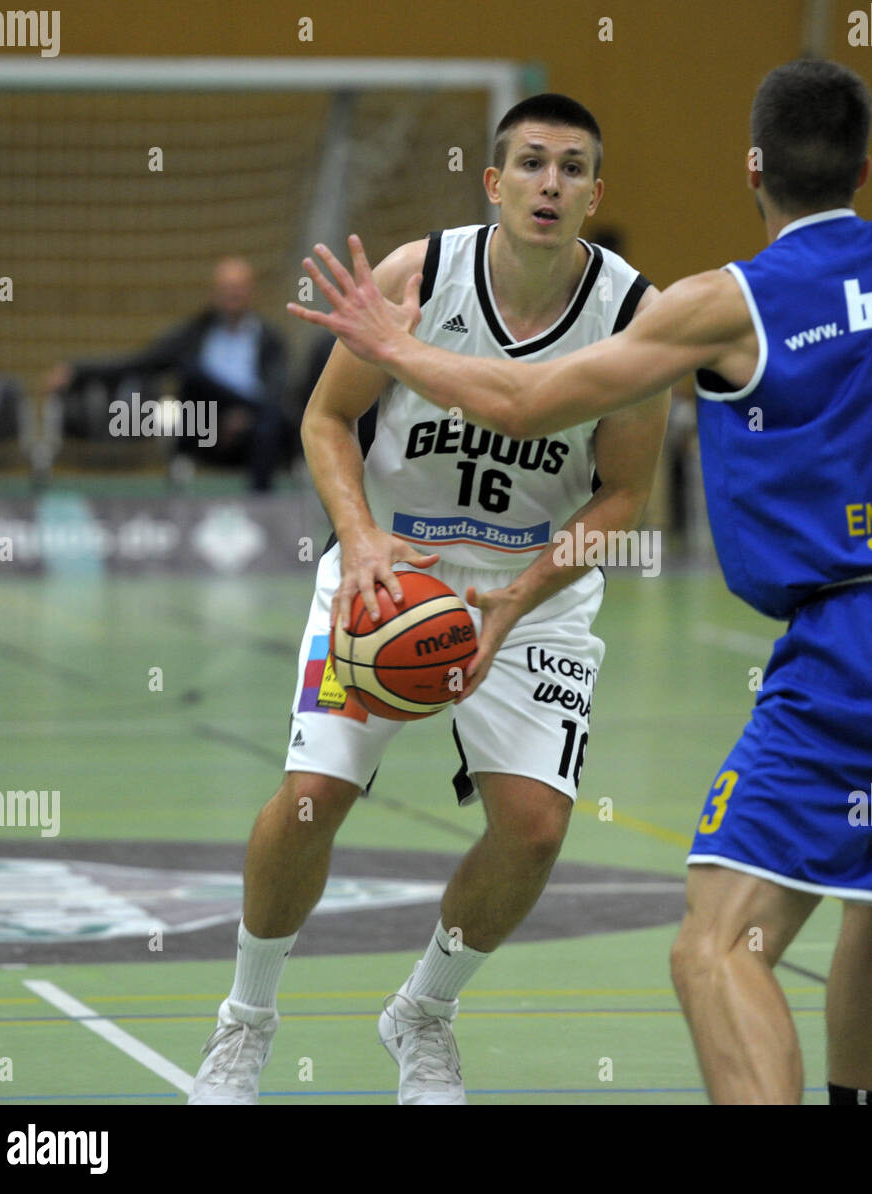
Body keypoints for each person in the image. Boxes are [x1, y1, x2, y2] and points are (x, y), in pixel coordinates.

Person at [291, 49, 872, 1105]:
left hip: (866, 650)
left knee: (714, 951)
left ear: (752, 168)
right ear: (861, 170)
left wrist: (398, 345)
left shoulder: (729, 303)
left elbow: (528, 404)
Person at [188, 94, 668, 1105]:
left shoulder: (633, 314)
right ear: (494, 183)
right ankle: (245, 1019)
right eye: (531, 163)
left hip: (529, 585)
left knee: (535, 827)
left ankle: (423, 1011)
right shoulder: (419, 274)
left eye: (572, 168)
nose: (550, 183)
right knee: (313, 797)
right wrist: (358, 539)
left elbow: (624, 491)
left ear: (594, 193)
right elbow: (326, 421)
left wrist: (524, 594)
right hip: (387, 571)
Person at [45, 257, 289, 491]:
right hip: (207, 428)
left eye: (239, 287)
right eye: (227, 287)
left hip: (255, 428)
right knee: (192, 374)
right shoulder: (194, 334)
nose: (233, 293)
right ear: (214, 292)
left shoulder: (271, 340)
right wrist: (78, 370)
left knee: (273, 416)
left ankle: (261, 504)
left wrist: (245, 415)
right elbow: (142, 362)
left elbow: (275, 391)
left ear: (252, 291)